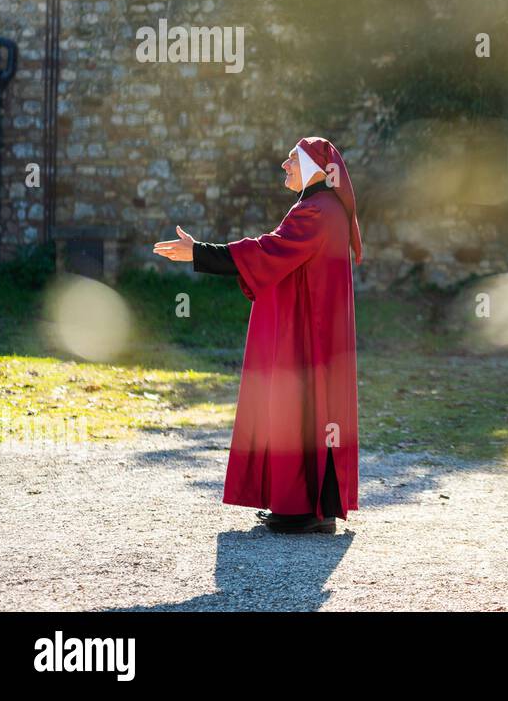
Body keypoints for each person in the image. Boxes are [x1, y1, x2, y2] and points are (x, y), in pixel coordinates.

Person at [153, 137, 361, 534]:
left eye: (291, 160)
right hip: (311, 327)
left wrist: (199, 252)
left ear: (315, 169)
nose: (284, 165)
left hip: (308, 333)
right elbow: (278, 256)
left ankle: (306, 510)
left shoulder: (318, 210)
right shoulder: (321, 206)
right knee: (304, 408)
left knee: (299, 406)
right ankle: (305, 507)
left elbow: (269, 250)